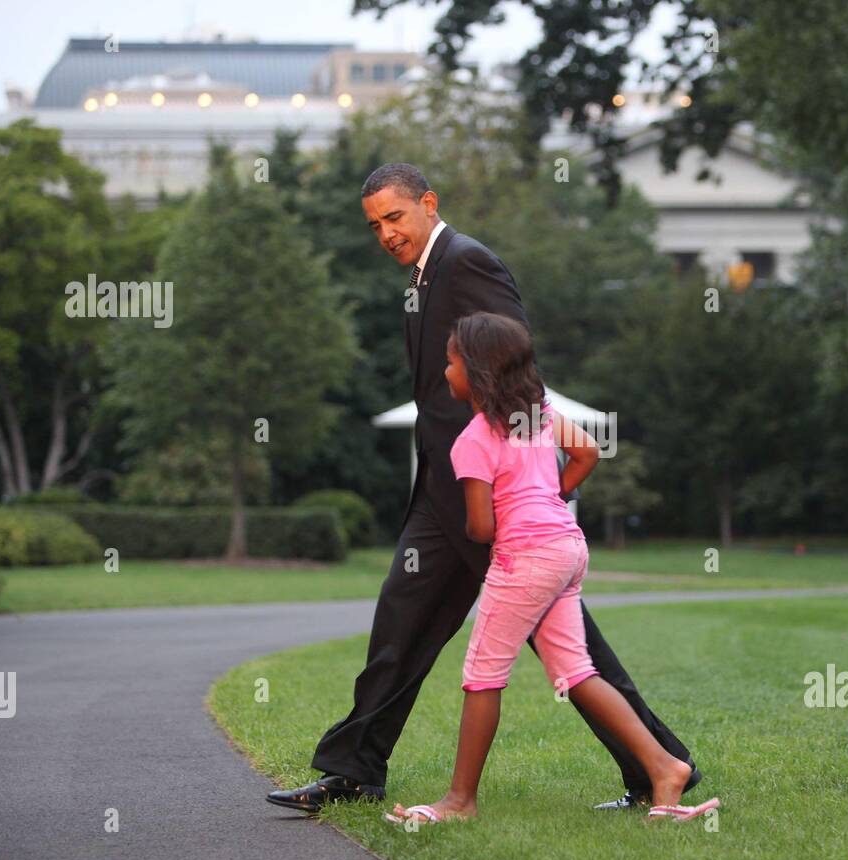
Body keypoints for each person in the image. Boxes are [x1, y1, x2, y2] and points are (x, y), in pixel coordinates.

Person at [267, 163, 701, 813]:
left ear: (428, 204)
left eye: (394, 217)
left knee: (571, 650)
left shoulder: (468, 263)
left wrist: (523, 481)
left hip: (488, 496)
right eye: (374, 225)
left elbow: (513, 361)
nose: (385, 233)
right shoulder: (420, 277)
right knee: (400, 628)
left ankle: (658, 767)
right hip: (442, 497)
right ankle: (352, 769)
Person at [385, 313, 718, 824]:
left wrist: (505, 513)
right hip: (567, 548)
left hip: (526, 560)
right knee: (576, 672)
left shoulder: (472, 441)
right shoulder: (537, 415)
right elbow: (586, 452)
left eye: (450, 361)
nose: (444, 370)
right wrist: (551, 497)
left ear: (475, 371)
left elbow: (480, 528)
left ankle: (460, 801)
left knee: (482, 675)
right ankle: (665, 766)